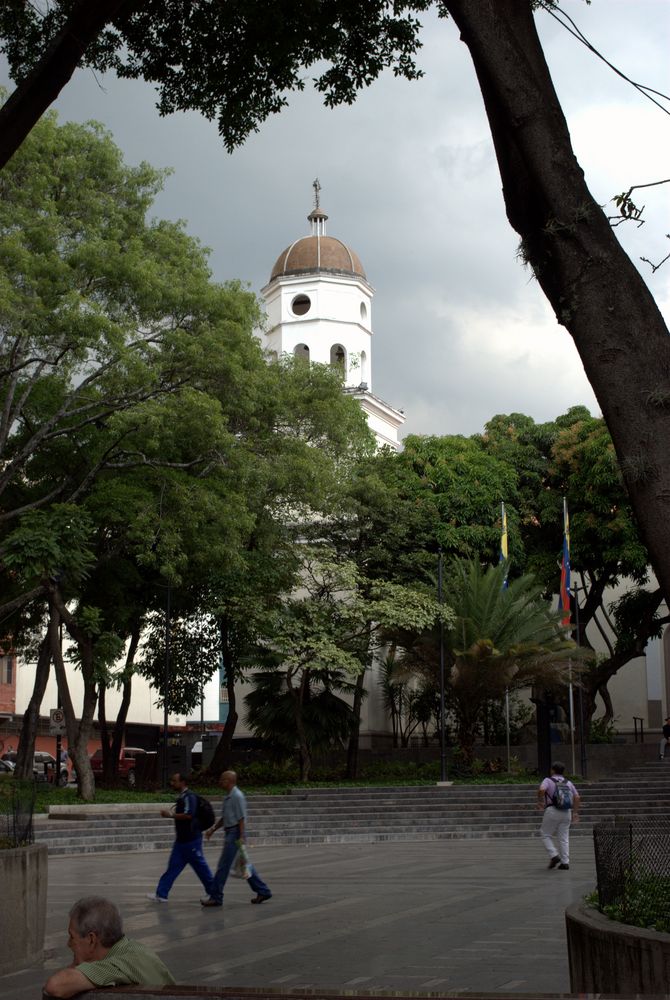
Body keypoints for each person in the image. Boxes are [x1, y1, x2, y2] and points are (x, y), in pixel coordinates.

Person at [43, 896, 175, 997]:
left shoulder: (120, 964)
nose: (68, 944)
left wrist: (77, 965)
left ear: (91, 940)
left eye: (72, 937)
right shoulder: (133, 950)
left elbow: (56, 985)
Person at [201, 769, 272, 907]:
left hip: (234, 833)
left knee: (223, 866)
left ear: (230, 781)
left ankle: (216, 896)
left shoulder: (237, 796)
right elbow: (225, 817)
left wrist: (241, 836)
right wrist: (213, 829)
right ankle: (263, 890)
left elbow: (241, 818)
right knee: (244, 865)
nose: (220, 782)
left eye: (223, 779)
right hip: (230, 832)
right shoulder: (228, 796)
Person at [146, 771, 215, 902]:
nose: (172, 783)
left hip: (191, 840)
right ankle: (161, 894)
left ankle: (214, 893)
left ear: (182, 782)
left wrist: (170, 815)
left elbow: (189, 815)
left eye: (174, 781)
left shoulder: (189, 797)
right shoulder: (183, 797)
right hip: (182, 841)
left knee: (201, 868)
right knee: (173, 867)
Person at [537, 761, 580, 870]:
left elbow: (542, 790)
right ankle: (565, 862)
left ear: (553, 770)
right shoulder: (568, 782)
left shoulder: (548, 780)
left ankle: (554, 855)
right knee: (564, 837)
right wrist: (575, 812)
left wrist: (540, 801)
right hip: (567, 812)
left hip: (552, 810)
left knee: (545, 833)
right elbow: (577, 797)